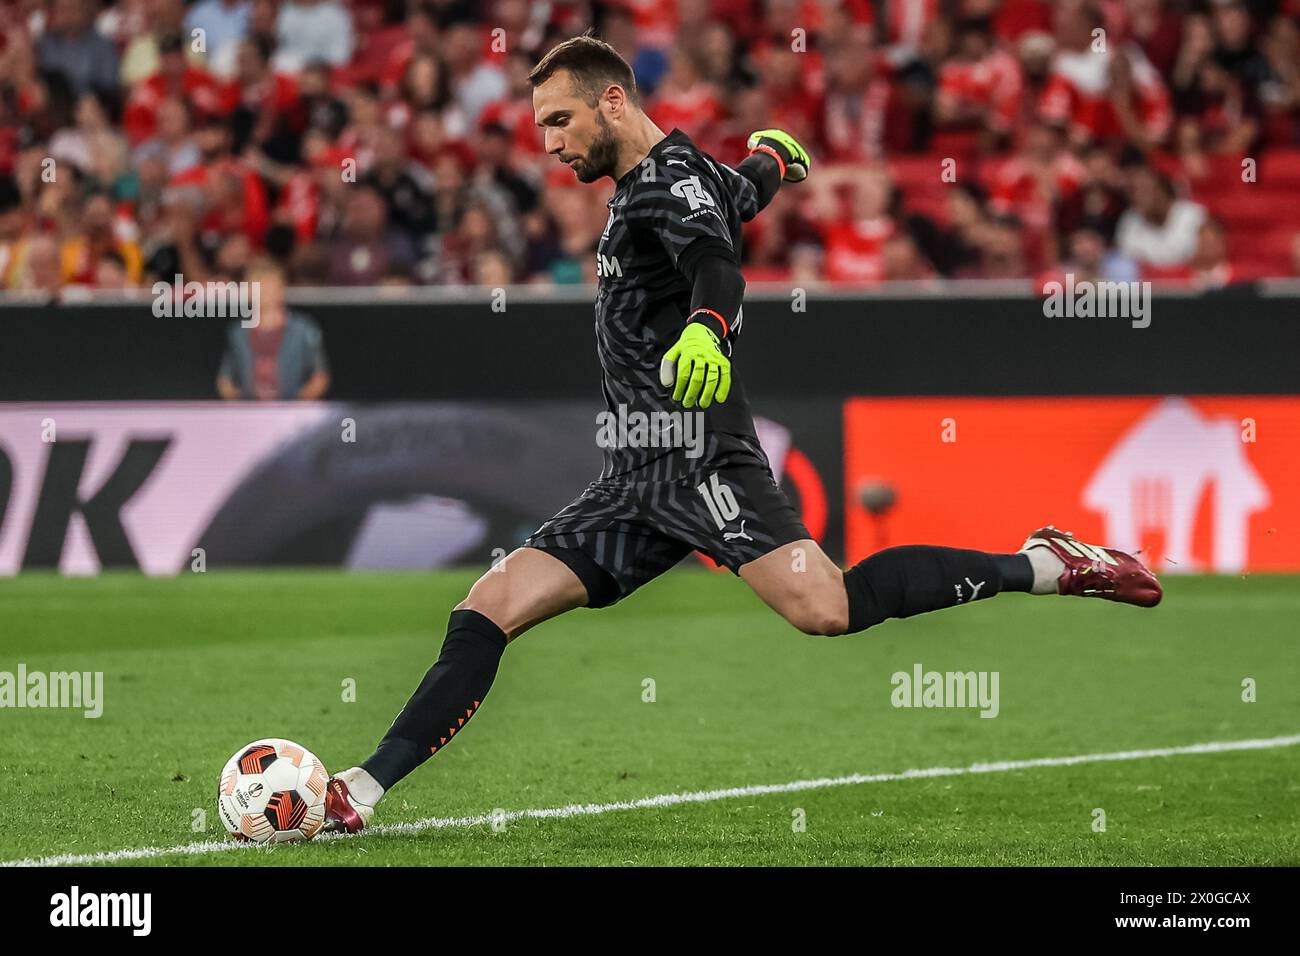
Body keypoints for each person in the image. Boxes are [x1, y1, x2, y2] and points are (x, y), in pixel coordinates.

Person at [321, 34, 1162, 833]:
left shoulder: (664, 181)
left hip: (702, 462)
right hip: (632, 482)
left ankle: (1045, 564)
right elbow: (738, 192)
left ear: (612, 101)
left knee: (827, 608)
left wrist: (707, 327)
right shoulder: (679, 178)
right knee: (486, 609)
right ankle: (358, 789)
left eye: (558, 120)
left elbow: (715, 265)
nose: (547, 144)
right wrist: (773, 162)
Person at [216, 260, 330, 400]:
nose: (264, 293)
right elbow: (225, 379)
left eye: (269, 287)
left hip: (291, 411)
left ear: (281, 289)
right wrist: (237, 407)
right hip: (249, 411)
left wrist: (299, 406)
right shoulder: (238, 332)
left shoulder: (304, 329)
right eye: (258, 287)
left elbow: (319, 376)